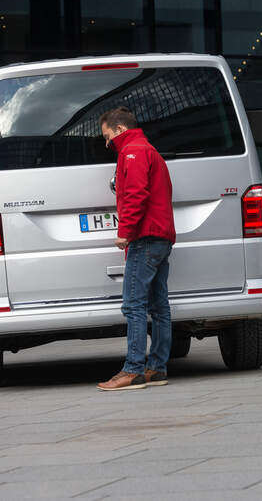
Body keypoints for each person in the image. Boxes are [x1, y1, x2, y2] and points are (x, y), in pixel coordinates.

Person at [96, 107, 177, 390]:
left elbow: (136, 194)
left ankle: (132, 370)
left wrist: (125, 232)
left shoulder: (133, 151)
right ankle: (156, 368)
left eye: (108, 137)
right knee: (159, 306)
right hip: (161, 237)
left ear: (120, 130)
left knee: (133, 305)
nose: (108, 144)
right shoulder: (149, 149)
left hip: (145, 237)